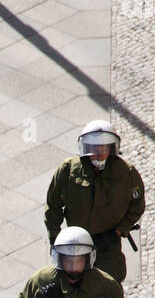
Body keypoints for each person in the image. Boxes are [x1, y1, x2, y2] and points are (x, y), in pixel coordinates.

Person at [44, 120, 145, 284]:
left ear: (112, 149)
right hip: (75, 242)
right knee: (70, 284)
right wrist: (56, 241)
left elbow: (137, 206)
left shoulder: (126, 173)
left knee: (110, 284)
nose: (99, 154)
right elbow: (53, 207)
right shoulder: (68, 170)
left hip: (108, 243)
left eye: (103, 149)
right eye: (94, 149)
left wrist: (119, 231)